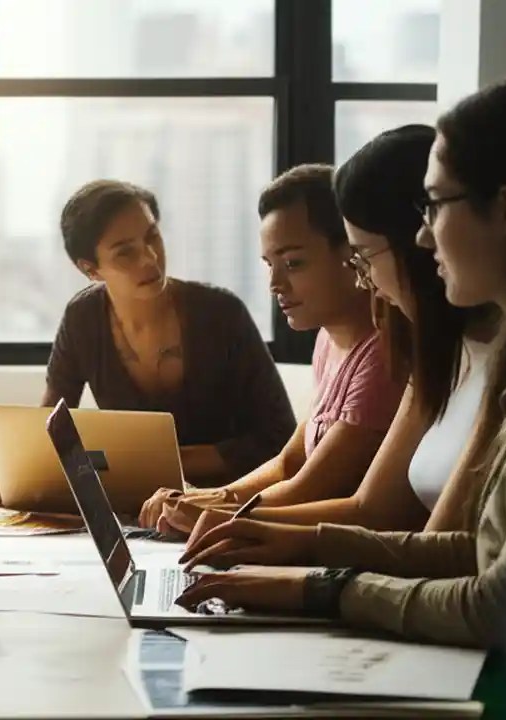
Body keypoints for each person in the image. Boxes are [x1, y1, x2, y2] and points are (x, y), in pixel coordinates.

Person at [175, 72, 506, 711]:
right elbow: (477, 553)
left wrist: (323, 584)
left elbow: (499, 603)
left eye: (437, 204)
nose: (424, 235)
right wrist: (307, 546)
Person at [162, 126, 499, 539]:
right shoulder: (440, 353)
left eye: (364, 257)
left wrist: (235, 521)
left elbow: (393, 525)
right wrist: (216, 505)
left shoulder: (414, 354)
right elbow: (295, 464)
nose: (365, 281)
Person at [140, 165, 405, 530]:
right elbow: (289, 463)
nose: (275, 284)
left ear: (353, 253)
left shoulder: (383, 355)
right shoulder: (328, 340)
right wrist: (208, 498)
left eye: (293, 263)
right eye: (269, 264)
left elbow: (309, 488)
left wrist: (215, 515)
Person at [39, 180, 297, 488]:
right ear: (91, 270)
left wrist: (154, 462)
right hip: (139, 503)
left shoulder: (221, 314)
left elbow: (280, 438)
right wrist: (28, 471)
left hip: (231, 498)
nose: (149, 258)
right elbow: (51, 429)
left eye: (152, 237)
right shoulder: (83, 319)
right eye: (125, 253)